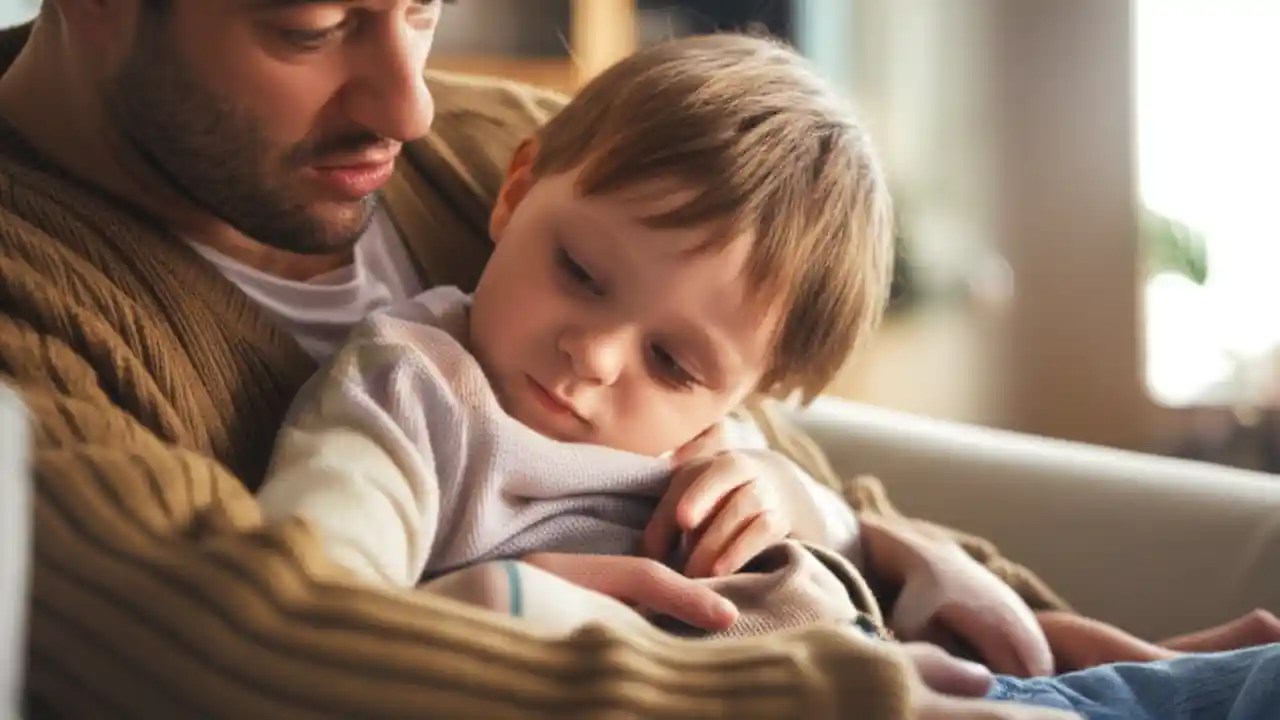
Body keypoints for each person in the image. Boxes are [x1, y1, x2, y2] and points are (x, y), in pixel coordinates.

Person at [0, 2, 1240, 718]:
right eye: (313, 24)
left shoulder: (515, 154)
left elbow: (757, 446)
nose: (411, 105)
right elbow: (241, 648)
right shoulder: (33, 284)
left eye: (420, 5)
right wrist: (856, 699)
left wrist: (981, 596)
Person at [255, 32, 895, 641]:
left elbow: (851, 537)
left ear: (752, 391)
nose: (595, 355)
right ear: (517, 191)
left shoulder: (709, 442)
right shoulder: (411, 395)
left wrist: (786, 492)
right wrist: (496, 602)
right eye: (581, 273)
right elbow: (313, 605)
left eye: (670, 362)